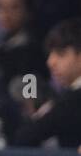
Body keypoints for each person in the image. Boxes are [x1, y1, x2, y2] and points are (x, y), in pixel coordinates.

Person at [15, 17, 81, 149]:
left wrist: (39, 118)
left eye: (61, 54)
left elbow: (24, 138)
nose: (51, 62)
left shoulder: (72, 101)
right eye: (50, 54)